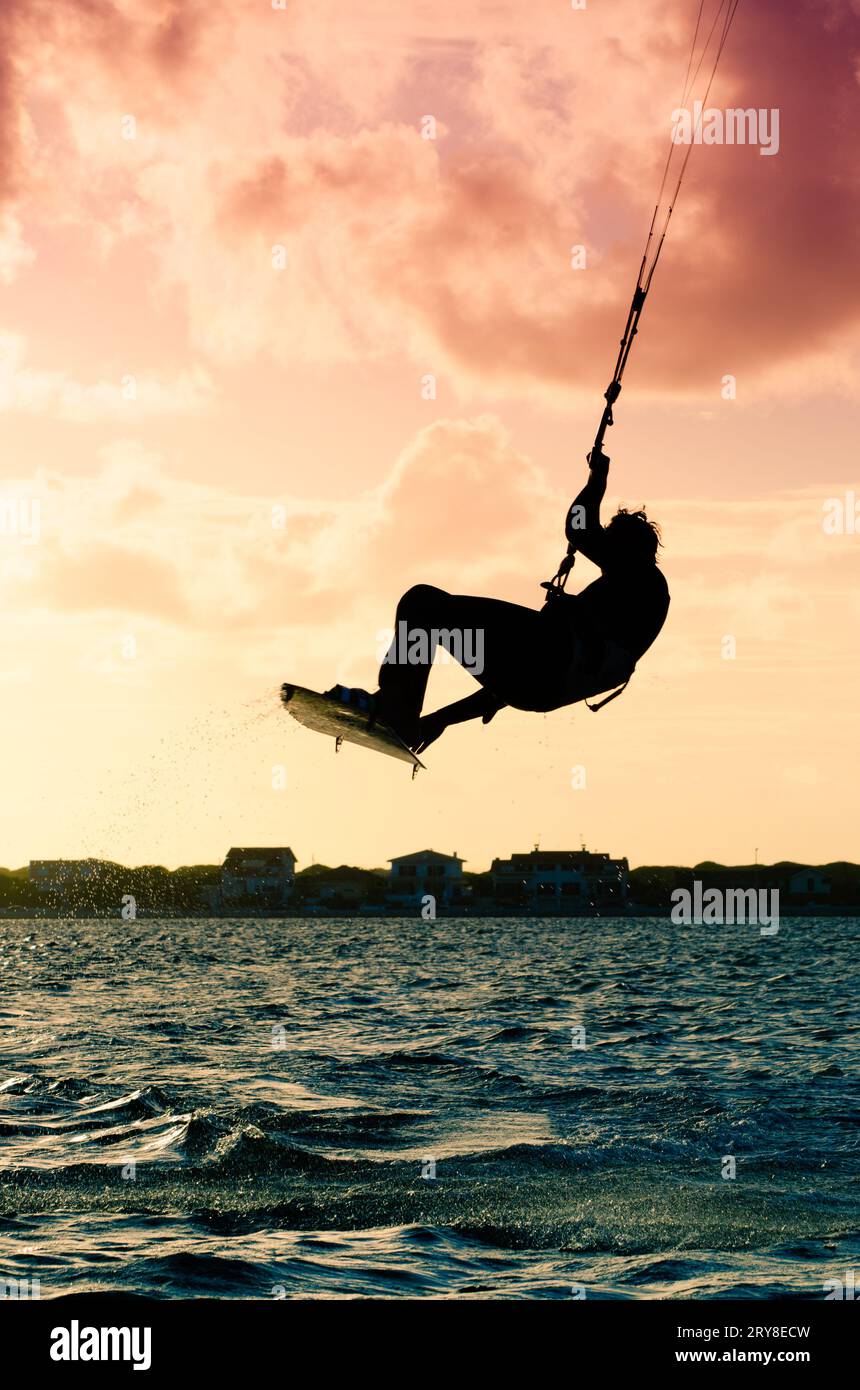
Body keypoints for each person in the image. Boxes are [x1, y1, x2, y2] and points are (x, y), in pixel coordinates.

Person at [330, 448, 669, 753]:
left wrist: (598, 479)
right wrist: (440, 720)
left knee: (422, 603)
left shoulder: (642, 579)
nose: (601, 556)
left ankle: (396, 708)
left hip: (545, 661)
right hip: (535, 690)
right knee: (426, 615)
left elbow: (579, 528)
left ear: (629, 549)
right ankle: (399, 709)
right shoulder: (623, 616)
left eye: (609, 544)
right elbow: (513, 683)